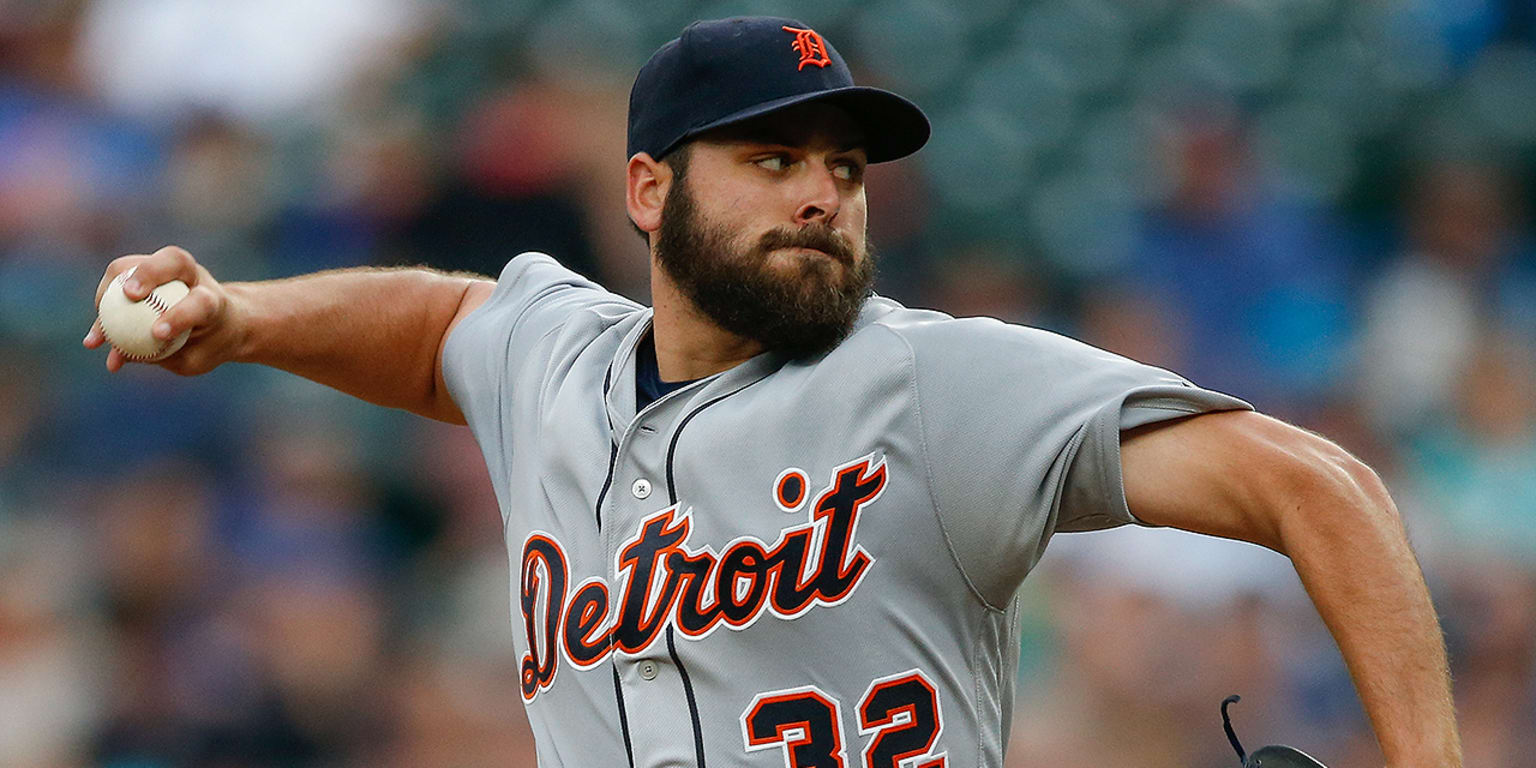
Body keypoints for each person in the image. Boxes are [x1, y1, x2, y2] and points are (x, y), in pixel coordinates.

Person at [86, 17, 1460, 768]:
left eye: (845, 169)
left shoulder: (934, 382)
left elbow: (1316, 485)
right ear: (647, 189)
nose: (821, 192)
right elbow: (438, 321)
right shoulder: (552, 356)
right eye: (771, 158)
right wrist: (242, 317)